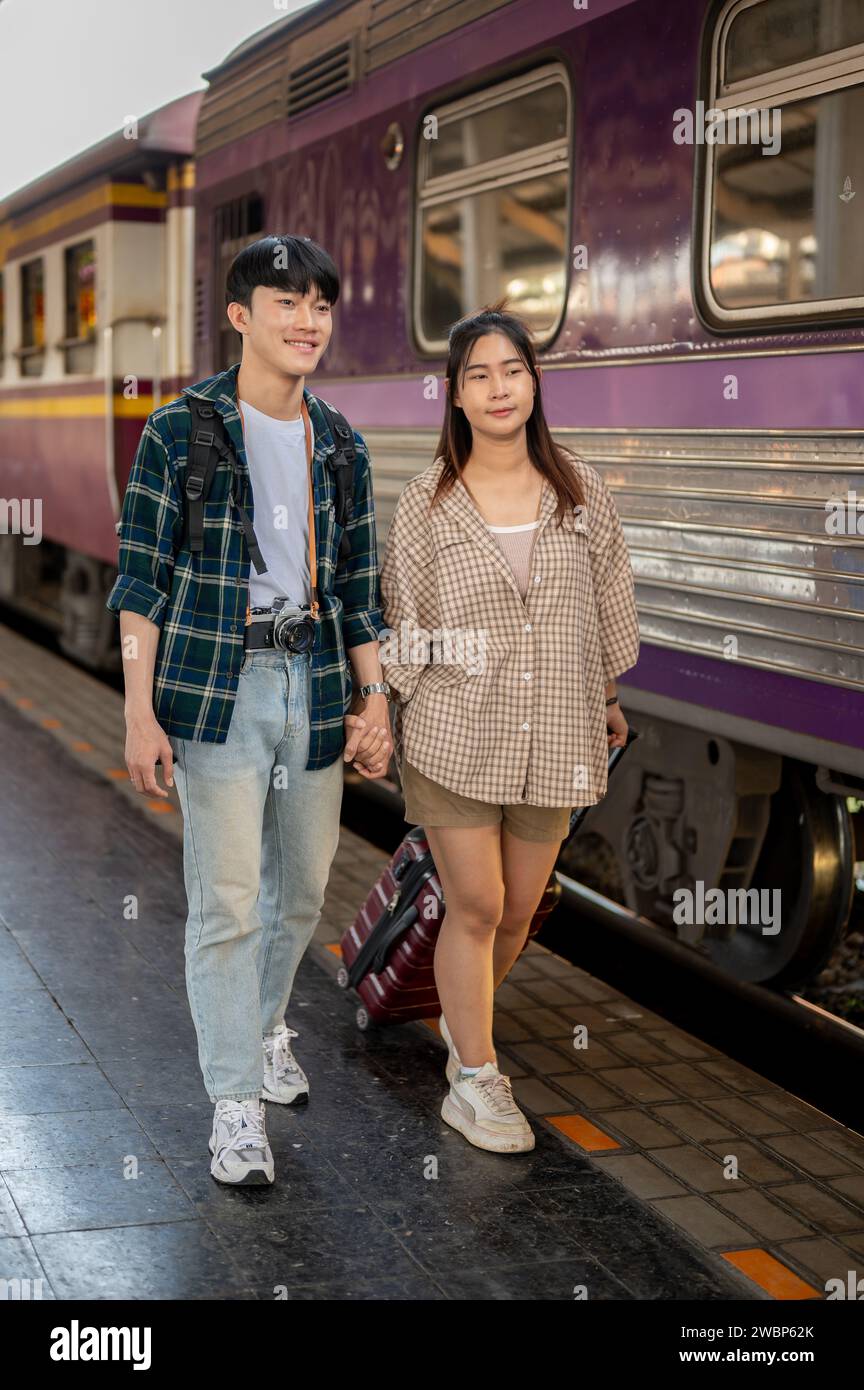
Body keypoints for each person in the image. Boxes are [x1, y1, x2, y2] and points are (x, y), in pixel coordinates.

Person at [106, 235, 393, 1186]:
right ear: (239, 317)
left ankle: (267, 1027)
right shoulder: (180, 430)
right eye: (286, 303)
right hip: (213, 686)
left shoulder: (339, 442)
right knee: (226, 898)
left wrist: (375, 696)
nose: (308, 320)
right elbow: (140, 582)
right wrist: (140, 714)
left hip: (308, 685)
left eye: (319, 304)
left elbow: (359, 583)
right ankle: (233, 1102)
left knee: (302, 892)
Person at [378, 303, 640, 1154]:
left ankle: (464, 1031)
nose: (499, 388)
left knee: (521, 909)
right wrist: (382, 709)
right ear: (453, 395)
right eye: (478, 375)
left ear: (535, 383)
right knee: (479, 902)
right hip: (457, 730)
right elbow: (403, 623)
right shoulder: (429, 502)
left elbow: (605, 609)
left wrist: (604, 696)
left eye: (513, 371)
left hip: (557, 731)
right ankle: (477, 1080)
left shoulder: (580, 488)